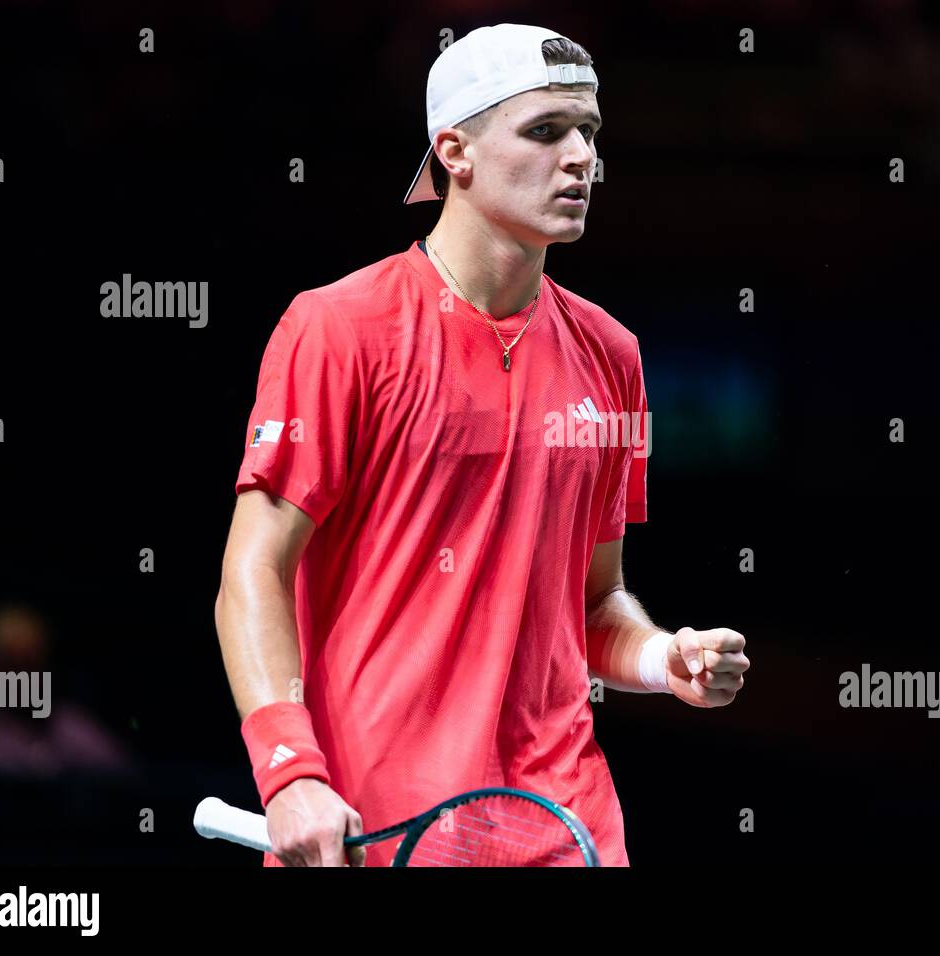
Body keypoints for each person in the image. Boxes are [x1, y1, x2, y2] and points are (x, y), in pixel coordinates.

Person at [214, 23, 749, 868]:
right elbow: (253, 572)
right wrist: (289, 772)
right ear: (454, 151)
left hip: (565, 824)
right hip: (371, 825)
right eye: (546, 131)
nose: (581, 158)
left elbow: (595, 602)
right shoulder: (338, 328)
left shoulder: (613, 354)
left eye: (590, 133)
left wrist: (659, 656)